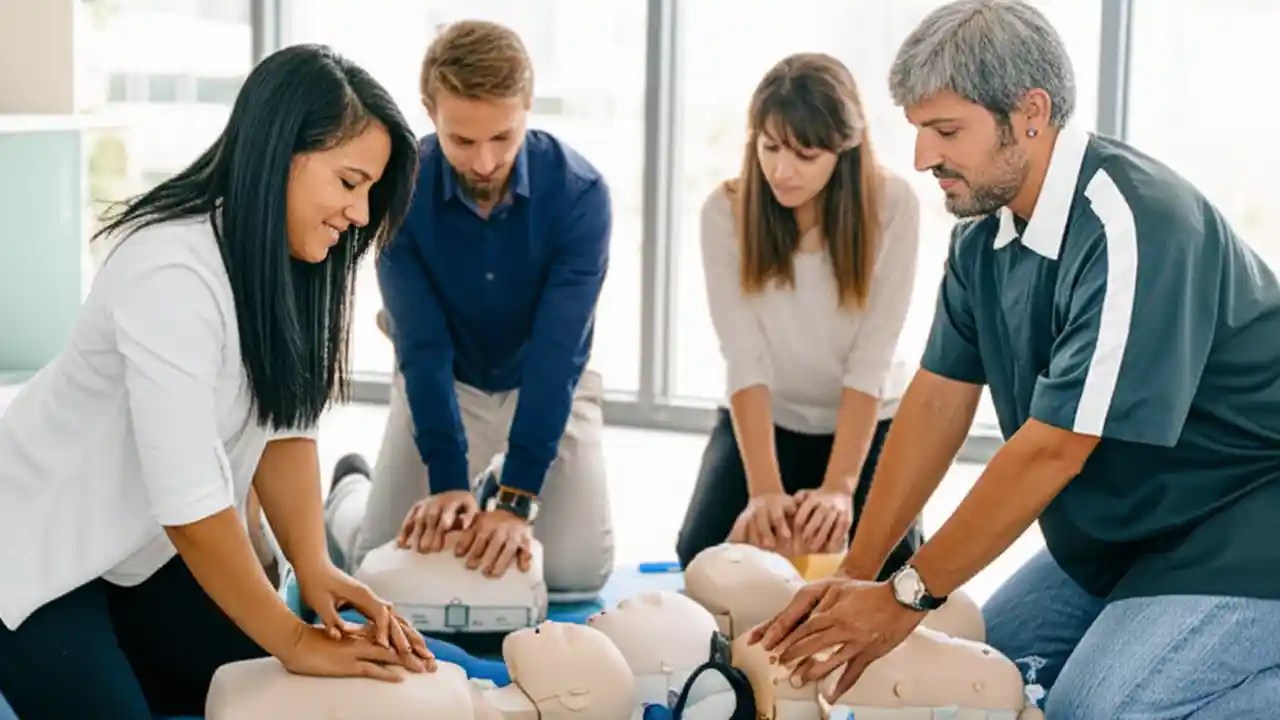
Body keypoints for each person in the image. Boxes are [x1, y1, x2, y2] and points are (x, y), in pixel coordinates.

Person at [751, 0, 1280, 716]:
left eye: (945, 131)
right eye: (917, 131)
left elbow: (1052, 451)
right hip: (1122, 536)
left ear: (1030, 113)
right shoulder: (981, 239)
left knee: (1090, 711)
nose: (921, 158)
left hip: (1244, 527)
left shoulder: (1133, 226)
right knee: (983, 675)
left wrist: (908, 594)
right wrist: (859, 574)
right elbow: (936, 404)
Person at [0, 44, 436, 719]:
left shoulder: (296, 264)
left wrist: (313, 566)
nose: (360, 212)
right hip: (33, 555)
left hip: (138, 557)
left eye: (371, 192)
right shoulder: (169, 270)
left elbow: (286, 429)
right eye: (350, 182)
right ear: (279, 154)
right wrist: (291, 636)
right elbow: (191, 500)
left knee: (266, 685)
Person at [324, 19, 614, 600]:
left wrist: (515, 500)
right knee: (375, 564)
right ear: (431, 114)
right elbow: (422, 345)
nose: (484, 161)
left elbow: (558, 355)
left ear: (528, 106)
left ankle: (495, 487)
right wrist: (450, 485)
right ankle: (348, 492)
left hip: (545, 376)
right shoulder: (398, 195)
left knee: (578, 571)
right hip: (443, 375)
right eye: (462, 141)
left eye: (502, 138)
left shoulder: (581, 195)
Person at [674, 53, 923, 573]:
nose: (782, 172)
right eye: (769, 148)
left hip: (870, 421)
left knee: (891, 568)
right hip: (775, 416)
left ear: (844, 148)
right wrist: (764, 491)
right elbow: (743, 355)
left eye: (805, 155)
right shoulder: (724, 212)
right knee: (702, 553)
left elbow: (871, 358)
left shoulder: (894, 204)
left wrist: (839, 488)